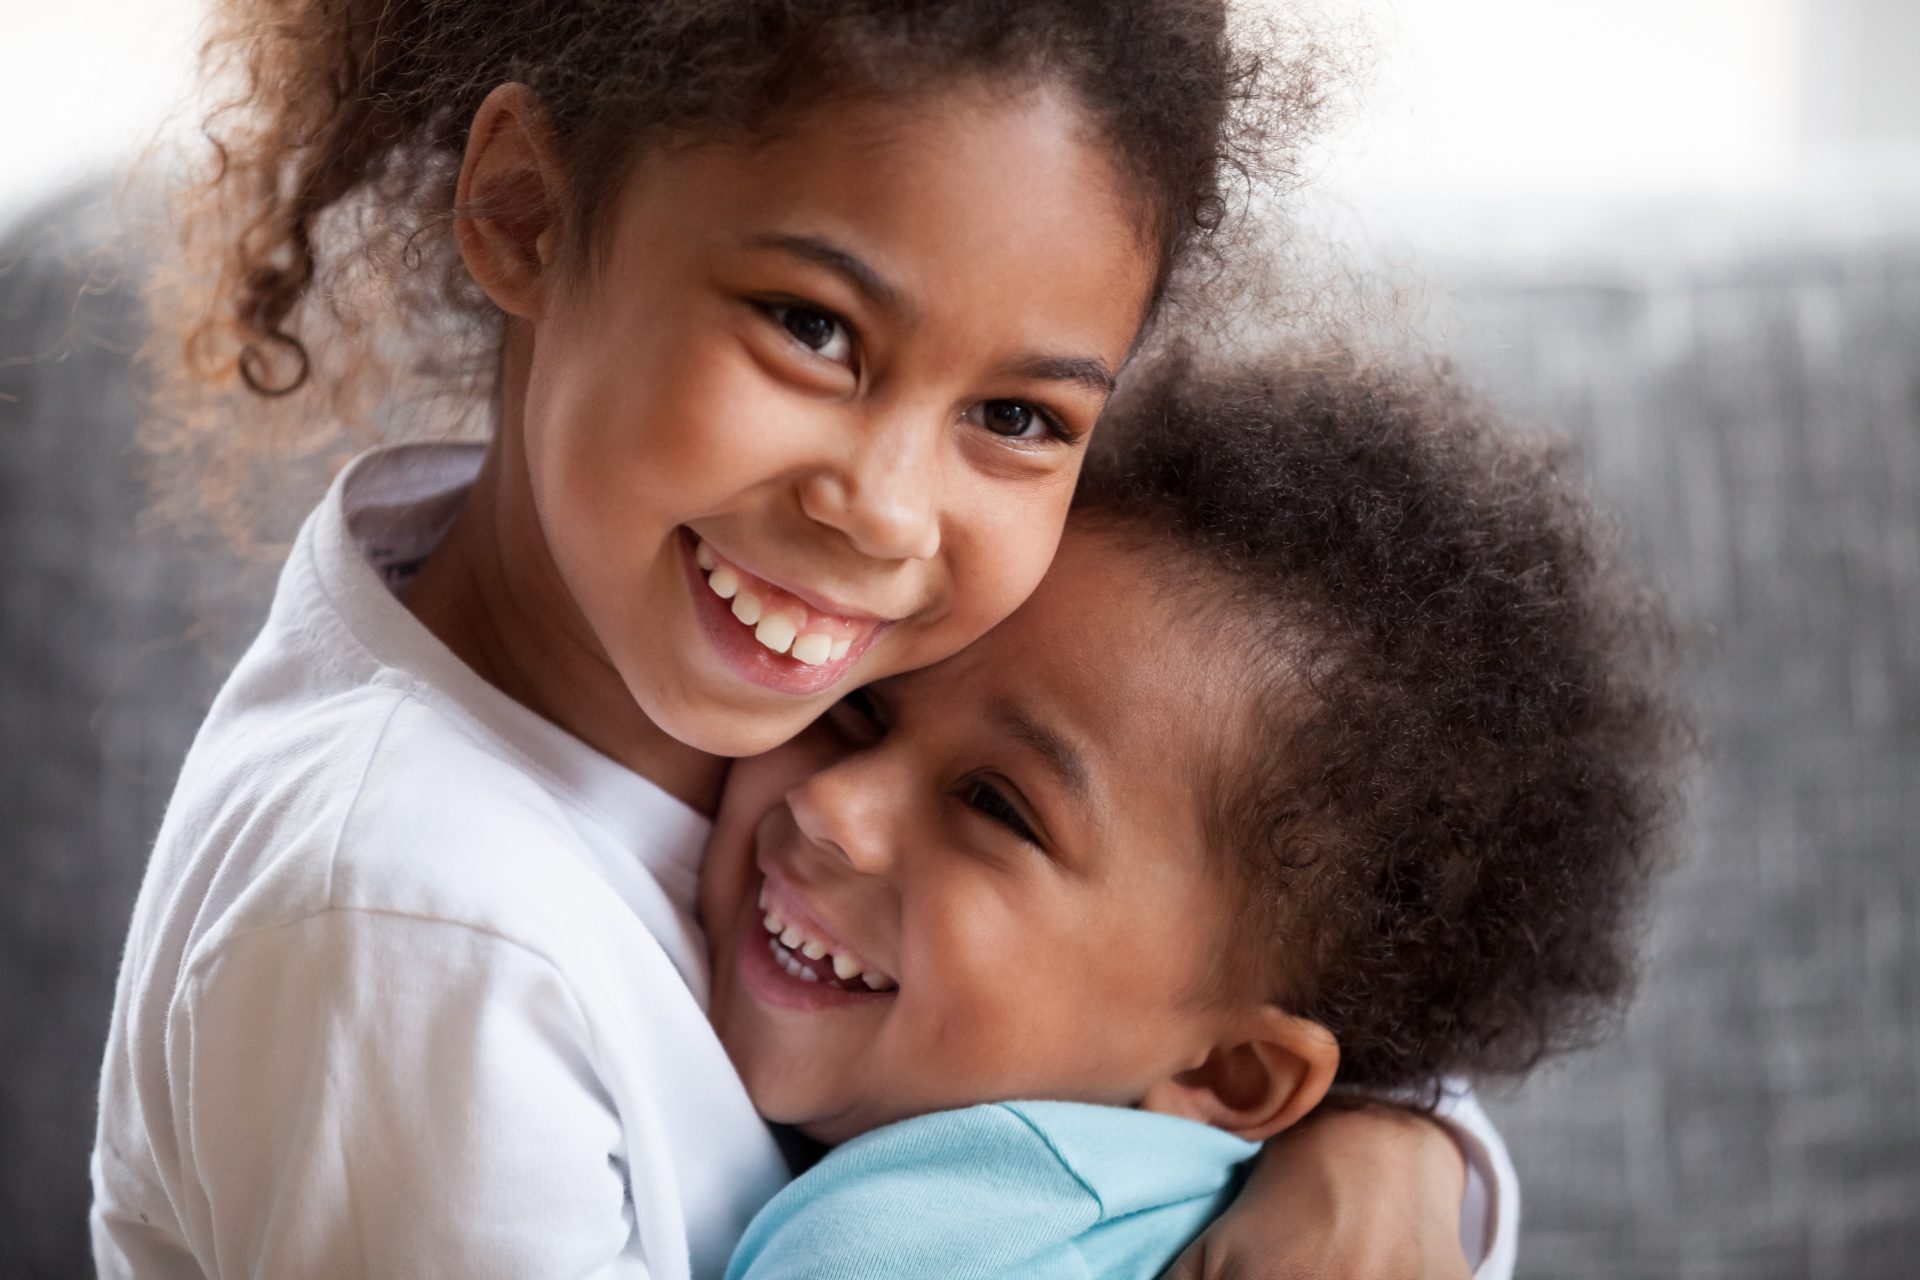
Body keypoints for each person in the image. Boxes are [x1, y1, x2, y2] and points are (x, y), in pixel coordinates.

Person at [93, 3, 1512, 1277]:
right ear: (527, 210)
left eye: (1015, 417)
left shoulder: (755, 680)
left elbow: (1215, 940)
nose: (888, 514)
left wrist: (1392, 1140)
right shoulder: (424, 936)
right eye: (811, 328)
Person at [705, 347, 1686, 1279]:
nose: (834, 802)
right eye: (865, 704)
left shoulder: (906, 1246)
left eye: (998, 808)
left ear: (1232, 1076)